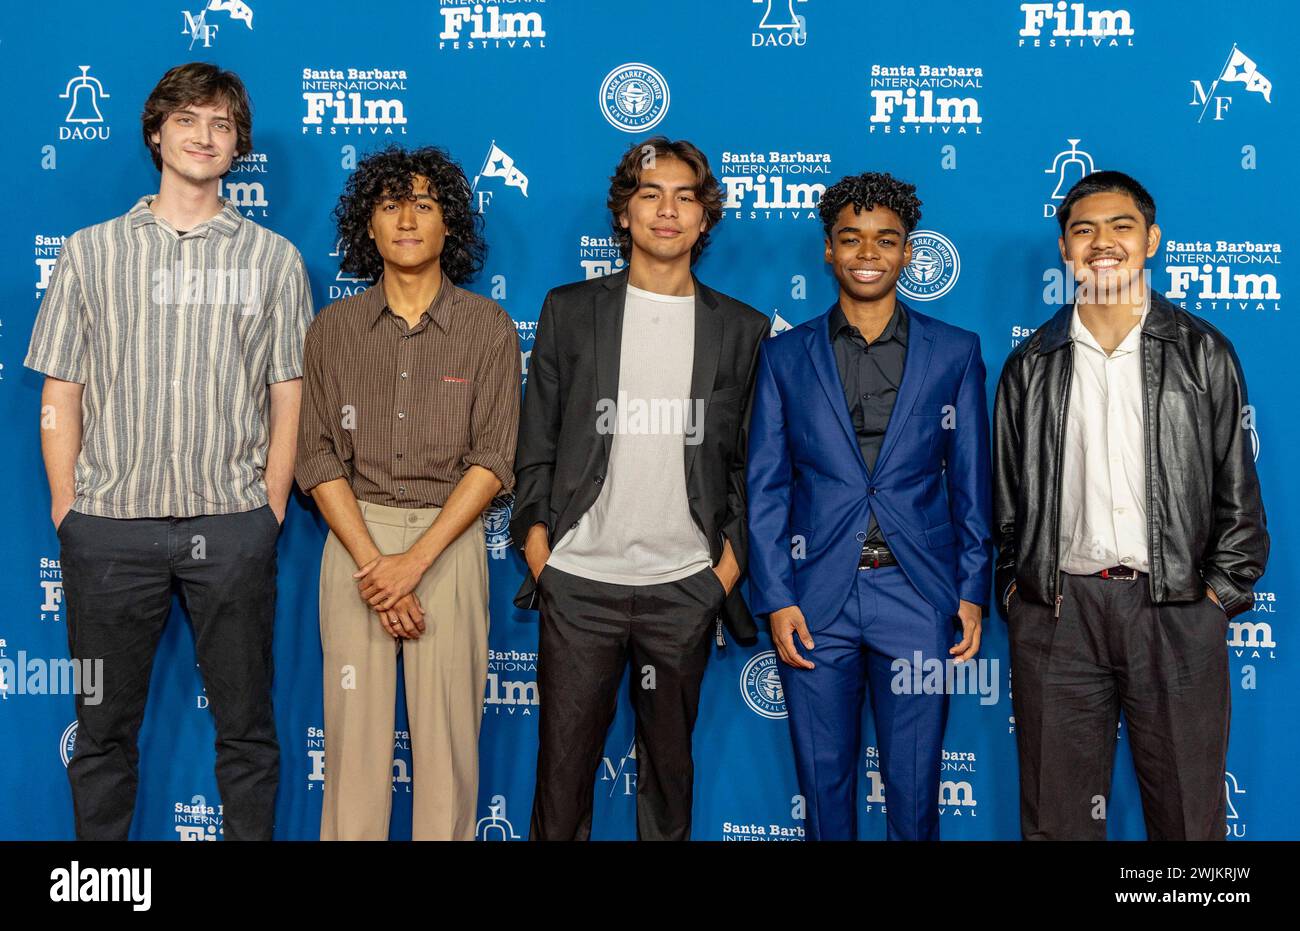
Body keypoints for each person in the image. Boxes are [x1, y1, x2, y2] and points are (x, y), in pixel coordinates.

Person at [26, 62, 313, 840]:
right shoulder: (89, 253)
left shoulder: (274, 260)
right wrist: (69, 509)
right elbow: (61, 391)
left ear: (237, 146)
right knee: (102, 733)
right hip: (109, 525)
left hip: (231, 523)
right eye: (188, 119)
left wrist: (271, 505)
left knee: (247, 731)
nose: (204, 136)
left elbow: (288, 394)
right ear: (157, 132)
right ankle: (102, 883)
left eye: (221, 125)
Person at [993, 170, 1269, 840]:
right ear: (1065, 249)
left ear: (1152, 239)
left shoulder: (1204, 352)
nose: (1102, 242)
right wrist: (1018, 594)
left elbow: (1239, 495)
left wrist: (1213, 602)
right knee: (1056, 821)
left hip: (1175, 611)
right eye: (1083, 230)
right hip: (1061, 615)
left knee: (1186, 819)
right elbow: (1004, 506)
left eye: (1121, 227)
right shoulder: (1031, 364)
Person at [512, 137, 768, 840]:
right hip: (578, 585)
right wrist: (543, 554)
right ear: (623, 214)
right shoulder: (569, 310)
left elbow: (756, 466)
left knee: (668, 785)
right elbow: (535, 446)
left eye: (686, 196)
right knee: (560, 783)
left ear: (705, 218)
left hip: (684, 588)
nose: (668, 210)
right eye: (651, 193)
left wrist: (721, 576)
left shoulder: (742, 329)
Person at [747, 171, 992, 840]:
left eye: (885, 240)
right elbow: (766, 487)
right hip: (814, 598)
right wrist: (777, 595)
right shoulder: (782, 357)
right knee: (824, 797)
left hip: (917, 595)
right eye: (850, 239)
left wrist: (971, 591)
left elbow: (972, 485)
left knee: (915, 799)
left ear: (909, 251)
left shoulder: (956, 351)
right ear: (828, 249)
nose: (867, 253)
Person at [296, 145, 520, 840]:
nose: (406, 219)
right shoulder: (333, 328)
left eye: (424, 204)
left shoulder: (488, 328)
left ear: (450, 223)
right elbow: (315, 454)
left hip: (447, 548)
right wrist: (376, 565)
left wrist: (412, 563)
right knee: (353, 749)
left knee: (448, 747)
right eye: (390, 204)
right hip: (355, 545)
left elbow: (492, 458)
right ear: (368, 225)